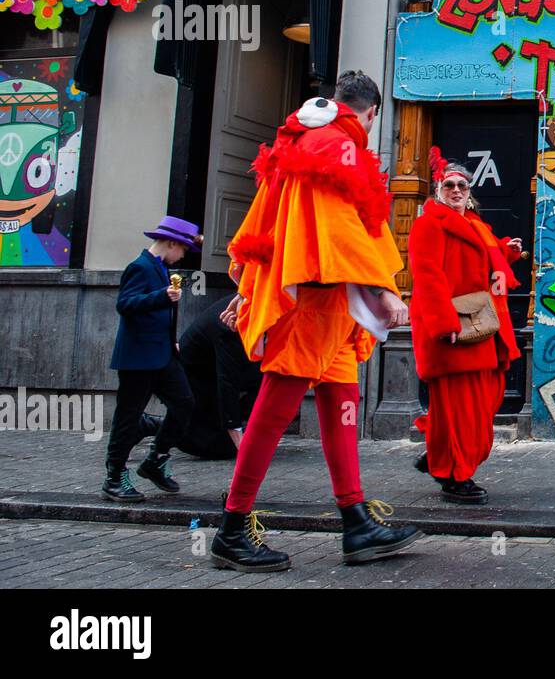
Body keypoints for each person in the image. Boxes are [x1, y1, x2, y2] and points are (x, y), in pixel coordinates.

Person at [212, 70, 421, 573]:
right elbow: (337, 225)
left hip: (326, 300)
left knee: (341, 401)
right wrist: (382, 287)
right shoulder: (338, 144)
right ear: (371, 113)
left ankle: (356, 521)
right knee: (275, 408)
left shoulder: (305, 139)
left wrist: (249, 287)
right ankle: (231, 529)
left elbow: (269, 222)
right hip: (316, 298)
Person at [409, 151, 523, 504]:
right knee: (460, 409)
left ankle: (439, 452)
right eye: (449, 185)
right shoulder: (429, 224)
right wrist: (444, 324)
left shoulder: (475, 225)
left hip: (481, 326)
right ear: (438, 190)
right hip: (455, 330)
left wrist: (506, 252)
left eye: (462, 185)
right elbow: (427, 275)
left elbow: (483, 259)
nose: (456, 190)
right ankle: (454, 474)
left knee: (484, 401)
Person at [102, 216, 200, 502]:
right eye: (183, 249)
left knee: (185, 403)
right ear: (171, 243)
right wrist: (162, 296)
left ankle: (156, 459)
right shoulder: (140, 267)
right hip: (138, 357)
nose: (182, 255)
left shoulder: (161, 267)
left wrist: (171, 339)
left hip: (163, 354)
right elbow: (125, 304)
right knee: (128, 416)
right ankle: (114, 477)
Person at [174, 298, 262, 460]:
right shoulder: (231, 324)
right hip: (198, 375)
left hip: (229, 368)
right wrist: (239, 441)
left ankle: (227, 425)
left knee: (274, 381)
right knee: (220, 447)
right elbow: (227, 381)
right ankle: (156, 425)